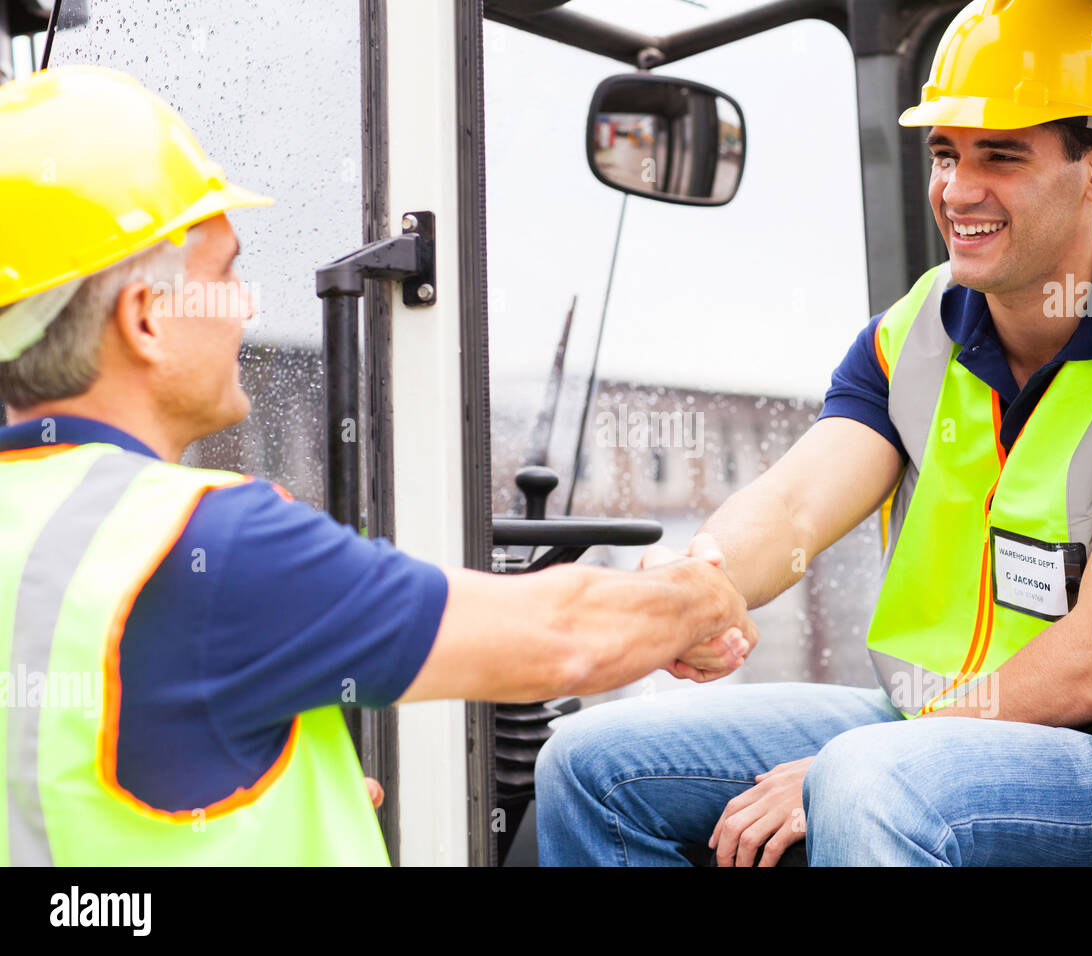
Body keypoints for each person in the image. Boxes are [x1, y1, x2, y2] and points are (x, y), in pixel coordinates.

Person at [534, 0, 1092, 867]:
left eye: (1000, 156)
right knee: (592, 765)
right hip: (918, 718)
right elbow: (791, 510)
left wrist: (839, 766)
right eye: (945, 153)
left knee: (868, 780)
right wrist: (688, 592)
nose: (958, 190)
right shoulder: (913, 334)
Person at [0, 65, 757, 866]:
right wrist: (698, 594)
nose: (248, 306)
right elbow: (560, 637)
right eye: (223, 276)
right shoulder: (210, 543)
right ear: (147, 318)